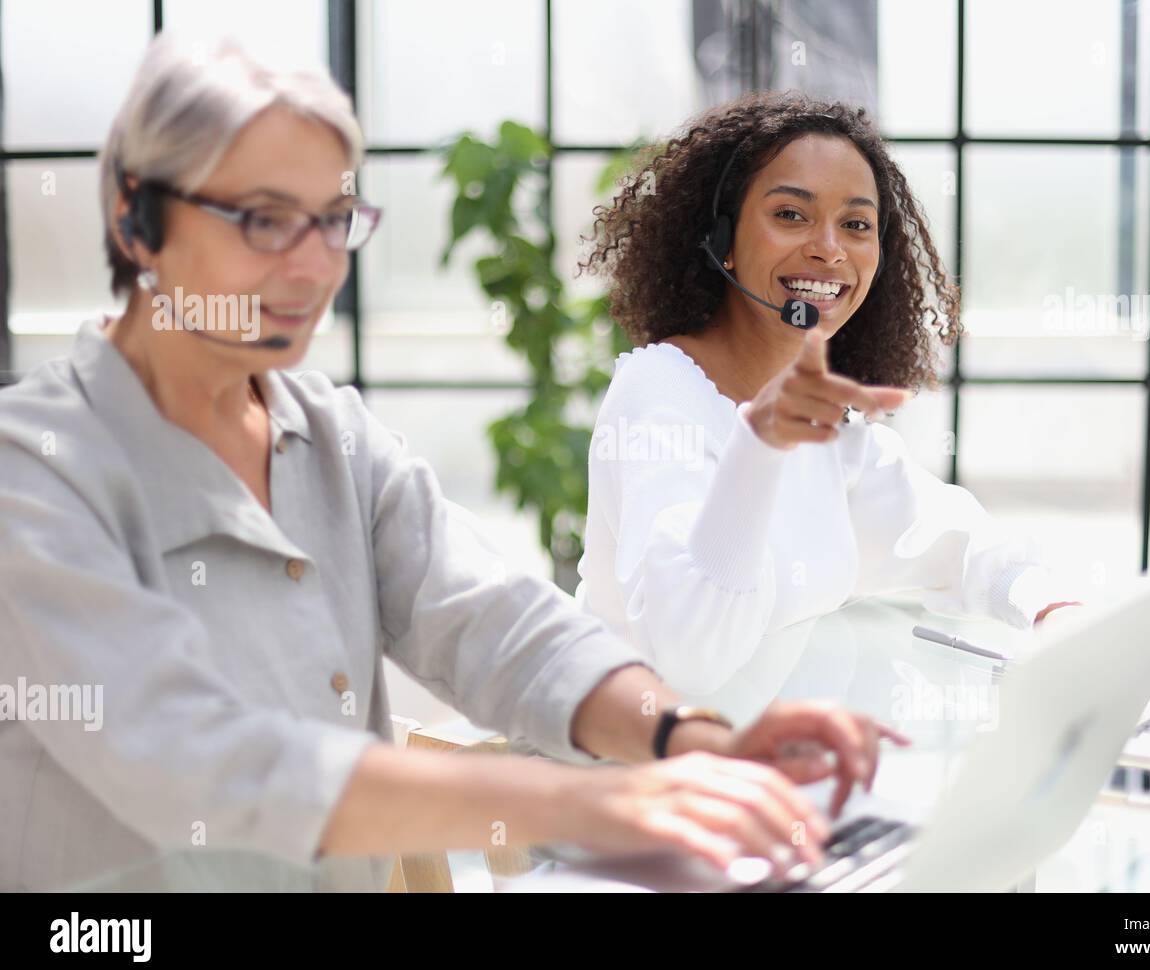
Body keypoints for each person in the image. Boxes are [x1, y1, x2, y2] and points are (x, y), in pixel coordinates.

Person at [0, 39, 904, 892]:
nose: (312, 266)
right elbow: (193, 756)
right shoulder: (35, 468)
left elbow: (496, 625)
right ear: (135, 214)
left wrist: (688, 737)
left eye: (332, 221)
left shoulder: (333, 438)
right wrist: (601, 800)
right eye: (264, 220)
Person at [576, 92, 1079, 694]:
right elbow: (692, 658)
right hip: (636, 770)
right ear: (722, 239)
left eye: (857, 225)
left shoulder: (825, 427)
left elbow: (959, 542)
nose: (830, 248)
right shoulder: (659, 393)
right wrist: (756, 449)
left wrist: (1053, 609)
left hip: (763, 761)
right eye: (791, 214)